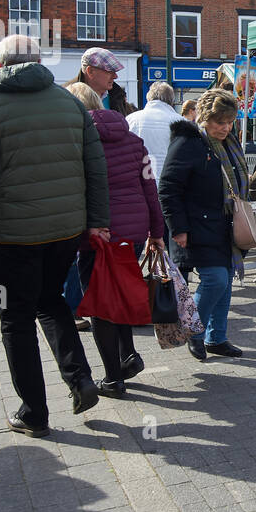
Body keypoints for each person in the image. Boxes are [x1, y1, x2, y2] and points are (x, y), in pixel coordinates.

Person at [0, 34, 110, 437]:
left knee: (14, 318)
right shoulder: (70, 102)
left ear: (0, 63)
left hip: (14, 236)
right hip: (64, 231)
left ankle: (34, 412)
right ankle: (80, 378)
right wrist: (96, 222)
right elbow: (96, 170)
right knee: (51, 300)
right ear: (39, 61)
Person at [68, 84, 164, 398]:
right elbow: (151, 190)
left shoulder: (79, 141)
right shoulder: (133, 141)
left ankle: (112, 377)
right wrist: (157, 232)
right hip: (133, 232)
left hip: (98, 234)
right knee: (119, 295)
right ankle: (129, 356)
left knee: (100, 304)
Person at [159, 90, 247, 362]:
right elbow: (168, 187)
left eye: (230, 121)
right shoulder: (189, 142)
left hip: (223, 225)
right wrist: (179, 228)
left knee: (225, 281)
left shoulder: (228, 143)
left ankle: (216, 337)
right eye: (220, 121)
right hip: (197, 226)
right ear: (205, 117)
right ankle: (194, 332)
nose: (226, 127)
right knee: (216, 279)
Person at [126, 81, 182, 182]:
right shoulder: (181, 122)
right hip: (171, 182)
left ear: (148, 97)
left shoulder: (130, 119)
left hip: (139, 180)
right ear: (171, 100)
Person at [72, 47, 136, 116]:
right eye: (109, 71)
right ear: (90, 71)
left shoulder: (118, 98)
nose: (115, 76)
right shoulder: (70, 99)